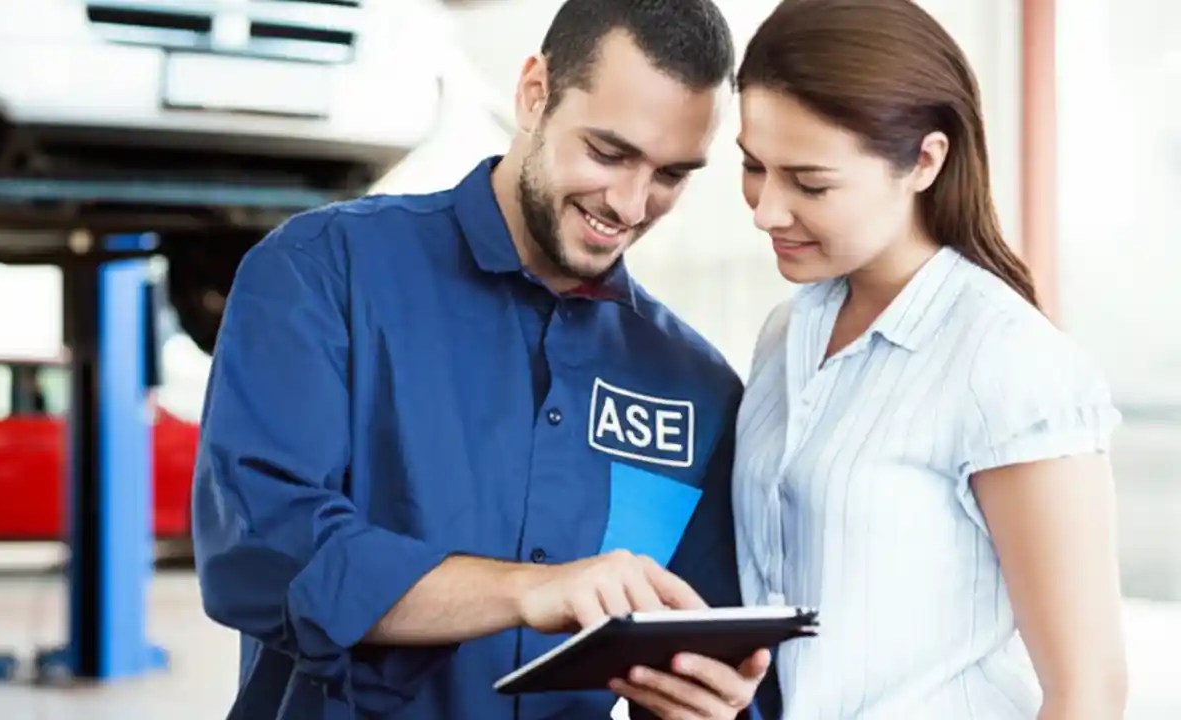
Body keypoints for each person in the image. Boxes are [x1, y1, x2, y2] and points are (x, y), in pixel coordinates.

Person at [192, 1, 778, 718]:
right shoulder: (324, 273)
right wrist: (526, 591)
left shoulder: (695, 386)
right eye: (608, 152)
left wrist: (708, 703)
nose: (629, 203)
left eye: (671, 174)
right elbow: (262, 552)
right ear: (534, 93)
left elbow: (698, 649)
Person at [729, 0, 1129, 718]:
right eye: (754, 166)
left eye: (810, 182)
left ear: (924, 160)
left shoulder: (1007, 363)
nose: (765, 209)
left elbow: (1088, 691)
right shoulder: (784, 334)